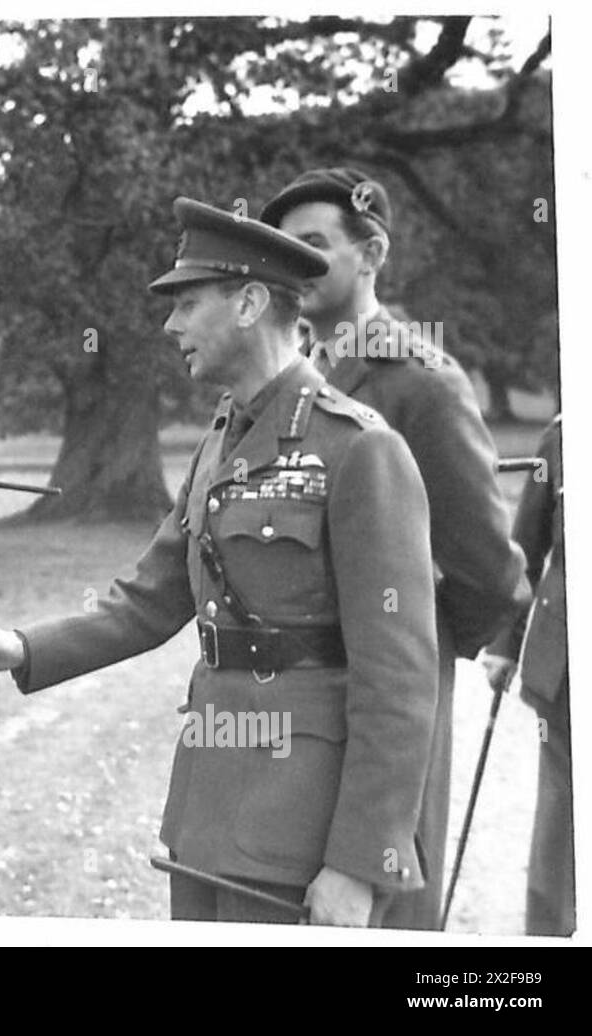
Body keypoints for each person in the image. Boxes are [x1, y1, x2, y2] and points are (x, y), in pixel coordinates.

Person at [0, 198, 440, 925]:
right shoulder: (222, 438)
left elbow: (399, 679)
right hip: (209, 809)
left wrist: (359, 862)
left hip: (301, 824)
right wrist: (22, 647)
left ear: (250, 303)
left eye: (188, 303)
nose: (170, 325)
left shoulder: (360, 449)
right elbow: (147, 601)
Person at [260, 167, 528, 929]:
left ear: (371, 252)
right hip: (296, 698)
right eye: (287, 249)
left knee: (382, 907)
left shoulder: (423, 383)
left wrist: (422, 637)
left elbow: (489, 569)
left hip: (391, 698)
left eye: (316, 245)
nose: (299, 264)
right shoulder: (284, 379)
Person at [481, 415, 570, 936]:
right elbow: (527, 549)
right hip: (566, 674)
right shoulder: (562, 436)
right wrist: (504, 645)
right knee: (559, 836)